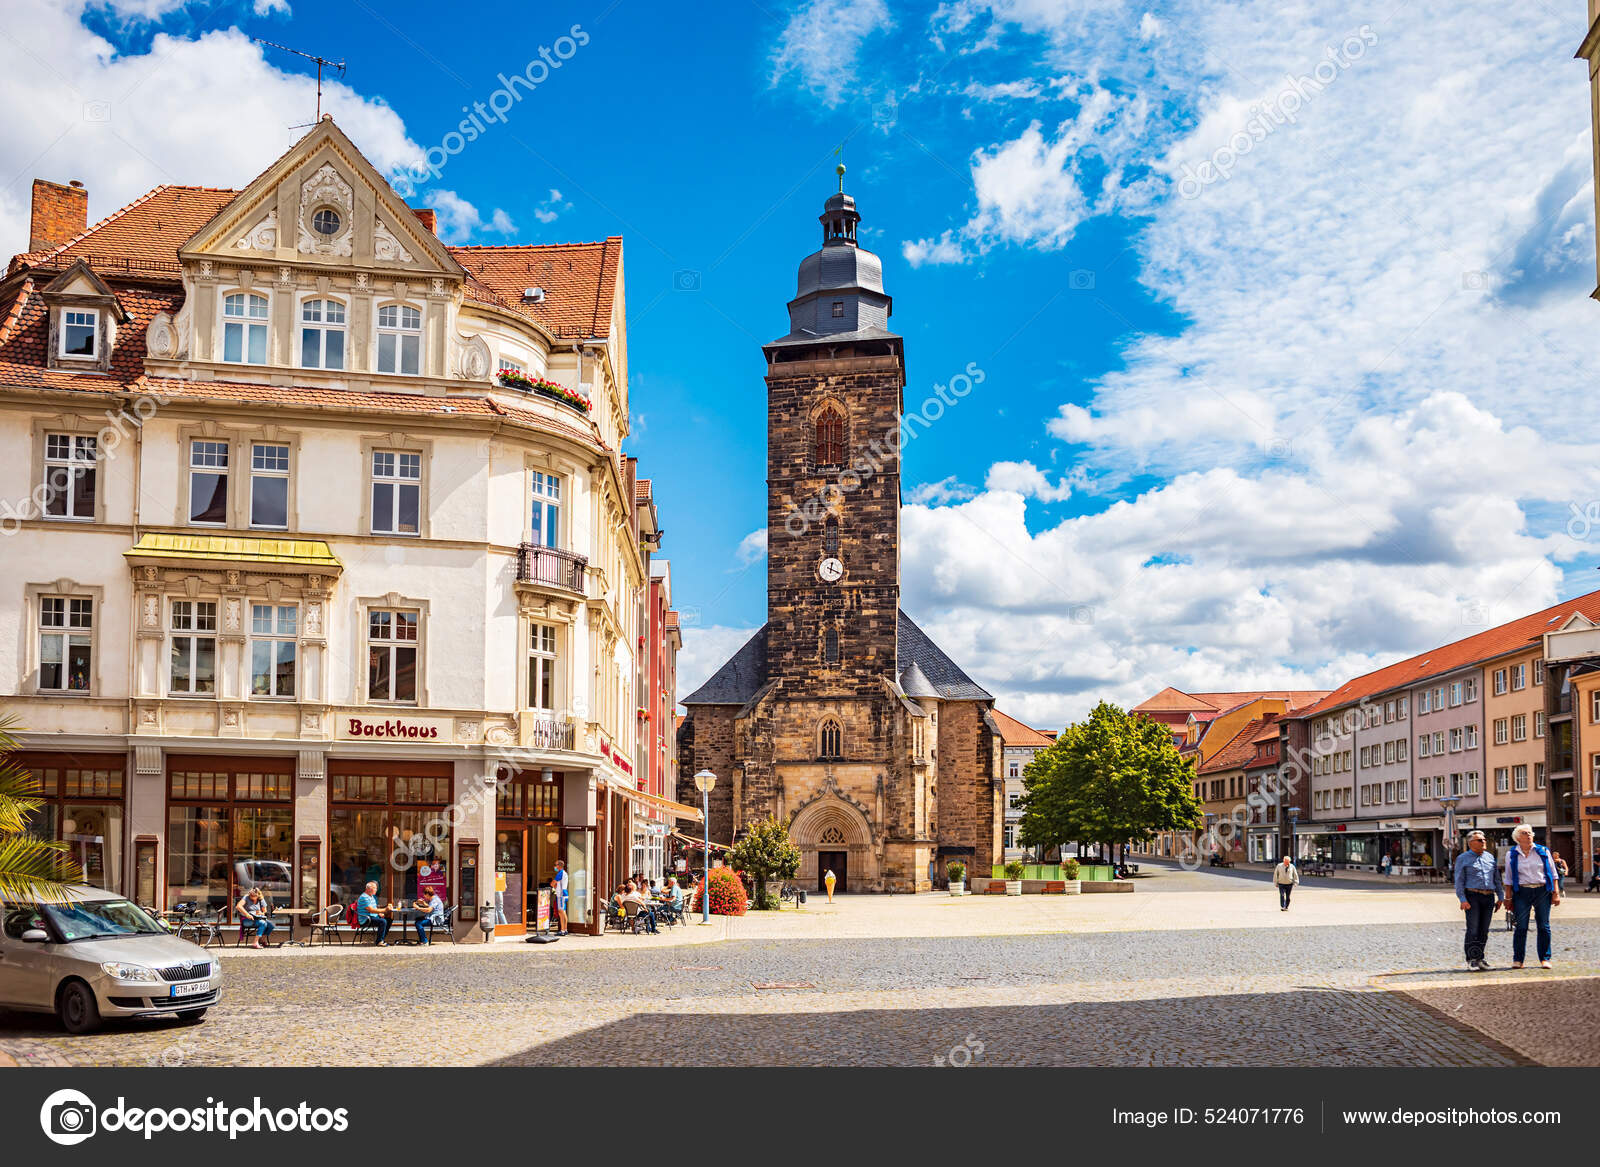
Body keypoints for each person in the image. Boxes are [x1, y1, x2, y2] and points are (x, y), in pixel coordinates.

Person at [1502, 824, 1561, 969]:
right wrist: (1508, 897)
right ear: (1517, 837)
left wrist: (1556, 893)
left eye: (1530, 832)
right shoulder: (1512, 854)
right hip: (1522, 892)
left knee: (1543, 926)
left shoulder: (1543, 851)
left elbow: (1554, 874)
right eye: (1524, 833)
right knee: (1521, 926)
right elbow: (1508, 878)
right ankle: (1518, 959)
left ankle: (1545, 958)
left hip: (1542, 891)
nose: (1528, 835)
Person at [1453, 830, 1502, 971]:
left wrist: (1501, 897)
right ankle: (1471, 959)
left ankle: (1480, 958)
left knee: (1484, 930)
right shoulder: (1463, 858)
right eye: (1480, 840)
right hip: (1472, 896)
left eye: (1484, 839)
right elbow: (1459, 880)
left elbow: (1497, 879)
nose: (1483, 842)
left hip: (1489, 897)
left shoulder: (1490, 857)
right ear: (1470, 843)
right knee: (1473, 929)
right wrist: (1462, 899)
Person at [357, 880, 392, 946]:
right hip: (366, 919)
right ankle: (379, 941)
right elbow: (371, 910)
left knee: (389, 919)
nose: (376, 889)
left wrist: (379, 913)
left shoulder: (371, 896)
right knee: (383, 921)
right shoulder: (364, 897)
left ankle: (381, 939)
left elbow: (374, 908)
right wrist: (385, 910)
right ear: (369, 889)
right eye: (375, 888)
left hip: (372, 916)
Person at [552, 858, 569, 936]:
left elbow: (552, 883)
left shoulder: (560, 873)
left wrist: (554, 885)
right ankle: (564, 929)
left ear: (559, 866)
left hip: (561, 894)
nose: (555, 866)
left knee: (561, 912)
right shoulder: (564, 873)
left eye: (555, 865)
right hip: (563, 894)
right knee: (562, 912)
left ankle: (563, 930)